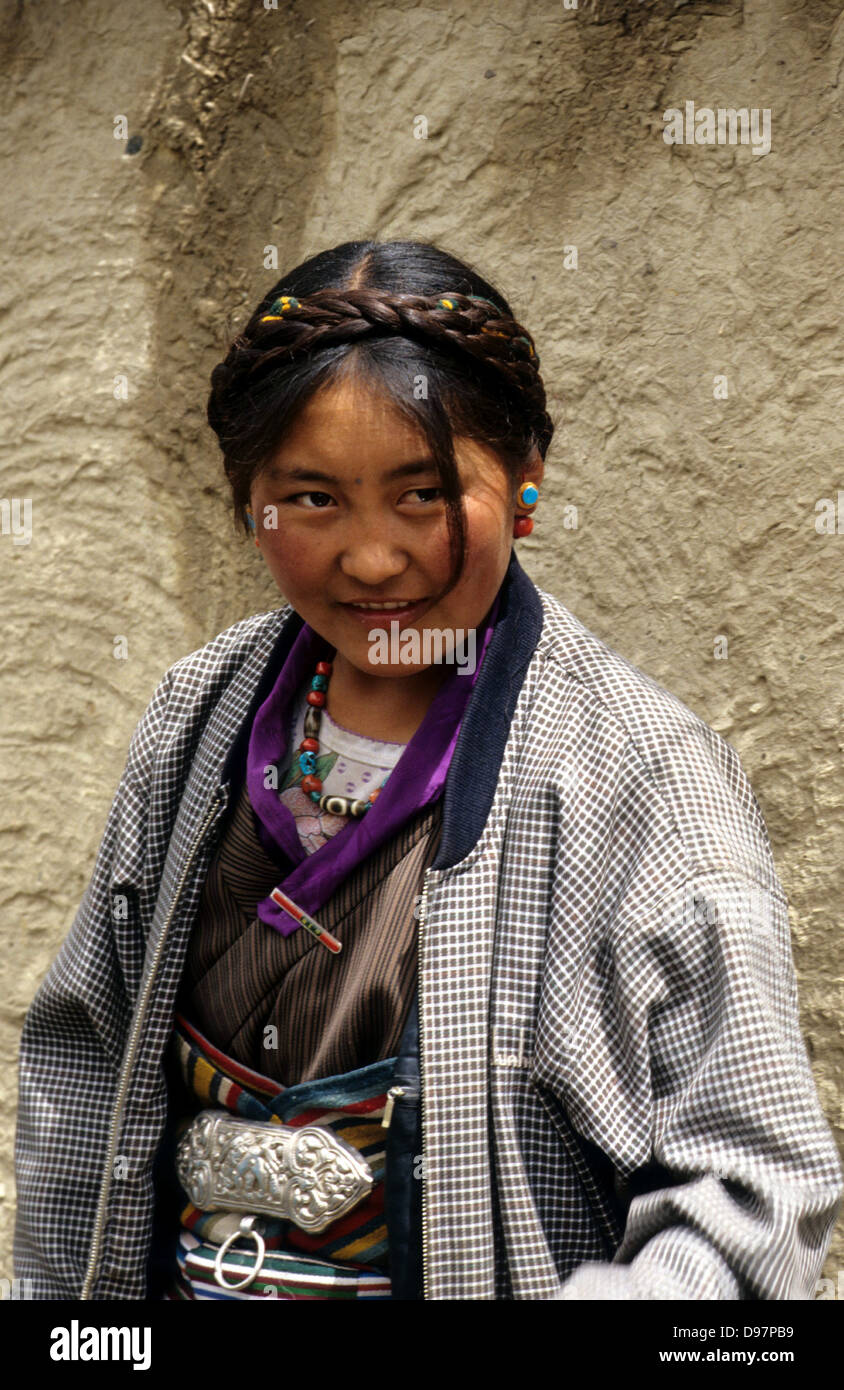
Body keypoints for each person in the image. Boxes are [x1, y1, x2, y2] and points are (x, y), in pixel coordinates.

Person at [13, 239, 843, 1302]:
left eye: (422, 495)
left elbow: (753, 1193)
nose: (370, 557)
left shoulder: (641, 778)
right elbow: (85, 1066)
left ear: (527, 483)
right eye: (311, 499)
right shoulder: (196, 719)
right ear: (246, 501)